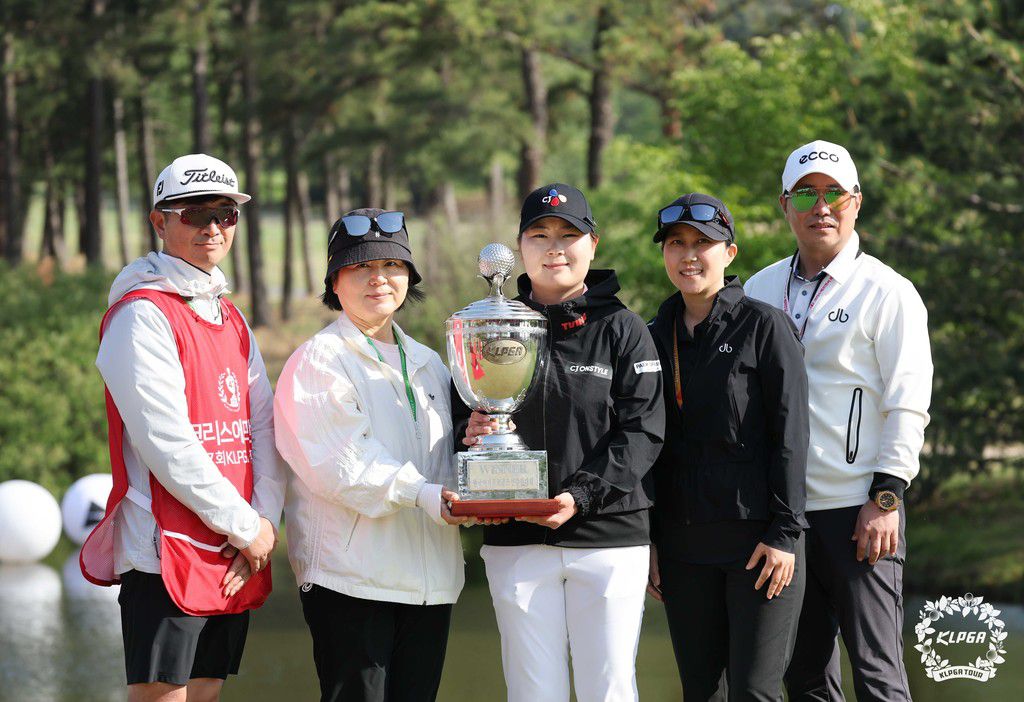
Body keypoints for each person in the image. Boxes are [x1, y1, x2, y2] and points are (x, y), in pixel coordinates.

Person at [81, 153, 285, 702]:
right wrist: (246, 526)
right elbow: (165, 443)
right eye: (194, 213)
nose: (212, 227)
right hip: (161, 550)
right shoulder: (139, 314)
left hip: (233, 544)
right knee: (162, 697)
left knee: (206, 690)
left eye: (225, 213)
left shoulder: (231, 316)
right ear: (159, 222)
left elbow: (263, 426)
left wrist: (263, 523)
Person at [458, 184, 665, 702]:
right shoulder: (489, 325)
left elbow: (643, 432)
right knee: (532, 692)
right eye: (539, 235)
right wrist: (471, 432)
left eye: (568, 235)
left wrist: (581, 496)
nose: (554, 248)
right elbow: (465, 412)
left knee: (609, 691)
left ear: (593, 244)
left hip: (609, 539)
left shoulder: (624, 329)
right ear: (519, 247)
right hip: (516, 539)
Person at [745, 140, 933, 701]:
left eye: (834, 194)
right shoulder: (757, 289)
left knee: (878, 676)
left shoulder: (889, 291)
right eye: (806, 194)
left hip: (860, 513)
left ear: (856, 202)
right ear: (786, 205)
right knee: (806, 680)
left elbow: (907, 401)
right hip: (784, 518)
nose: (821, 207)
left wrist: (886, 498)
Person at [274, 208, 468, 702]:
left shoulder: (430, 363)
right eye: (361, 266)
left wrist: (480, 480)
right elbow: (344, 465)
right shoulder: (319, 361)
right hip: (351, 581)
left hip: (430, 583)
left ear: (409, 277)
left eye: (391, 265)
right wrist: (426, 495)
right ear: (334, 282)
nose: (379, 278)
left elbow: (448, 457)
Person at [645, 193, 809, 701]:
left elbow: (792, 436)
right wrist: (650, 539)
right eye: (676, 244)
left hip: (759, 545)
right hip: (682, 548)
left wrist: (785, 534)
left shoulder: (765, 326)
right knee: (701, 693)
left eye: (703, 243)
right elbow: (646, 445)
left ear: (730, 253)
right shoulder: (651, 335)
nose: (688, 255)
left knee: (754, 693)